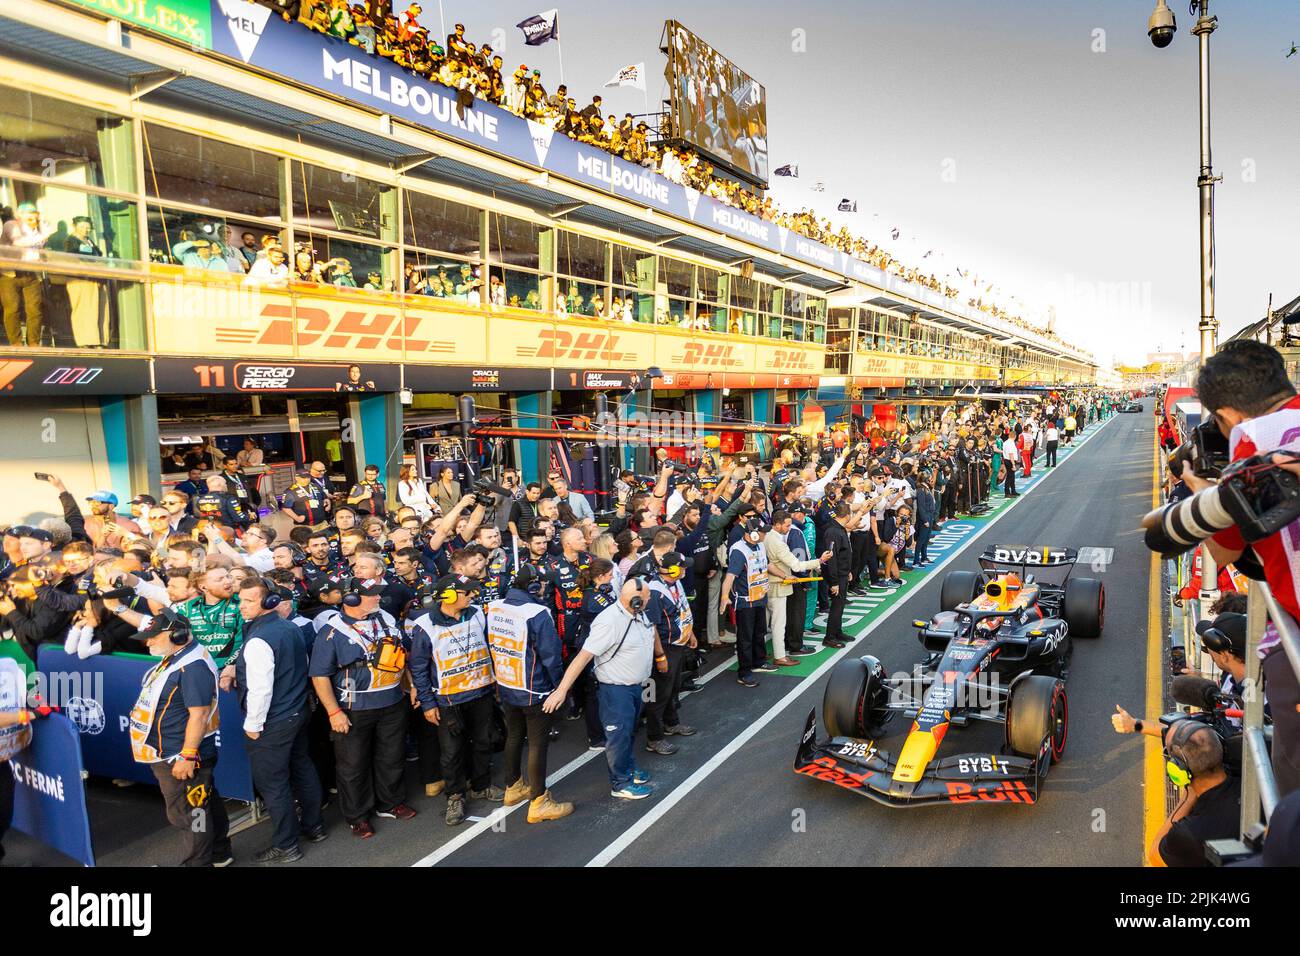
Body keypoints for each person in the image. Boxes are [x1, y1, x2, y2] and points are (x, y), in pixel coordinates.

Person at [309, 577, 417, 838]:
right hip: (353, 708)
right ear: (352, 599)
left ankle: (390, 803)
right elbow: (319, 675)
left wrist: (412, 685)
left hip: (392, 701)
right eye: (373, 595)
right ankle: (357, 815)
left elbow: (404, 655)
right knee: (352, 764)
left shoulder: (387, 619)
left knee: (391, 757)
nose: (380, 598)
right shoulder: (331, 630)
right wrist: (334, 712)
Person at [127, 610, 232, 867]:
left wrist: (187, 755)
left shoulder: (192, 667)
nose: (147, 642)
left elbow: (199, 715)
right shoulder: (179, 656)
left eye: (153, 637)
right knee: (202, 802)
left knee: (190, 814)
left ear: (178, 635)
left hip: (181, 756)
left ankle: (198, 863)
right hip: (176, 752)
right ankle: (219, 852)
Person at [236, 578, 326, 863]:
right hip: (297, 713)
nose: (241, 606)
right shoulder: (289, 627)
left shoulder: (259, 640)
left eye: (249, 600)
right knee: (302, 767)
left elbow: (261, 689)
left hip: (273, 722)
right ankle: (315, 827)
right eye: (241, 600)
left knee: (274, 785)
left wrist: (252, 725)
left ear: (268, 602)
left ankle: (287, 844)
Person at [544, 577, 656, 800]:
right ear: (635, 601)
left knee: (629, 732)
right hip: (616, 691)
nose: (650, 599)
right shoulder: (609, 622)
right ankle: (620, 782)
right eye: (647, 597)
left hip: (636, 686)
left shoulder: (638, 613)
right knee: (619, 736)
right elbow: (583, 657)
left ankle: (629, 769)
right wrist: (562, 690)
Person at [408, 574, 505, 825]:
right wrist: (428, 704)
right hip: (448, 700)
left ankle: (481, 784)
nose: (472, 596)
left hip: (481, 692)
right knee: (451, 752)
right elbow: (418, 668)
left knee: (483, 741)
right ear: (449, 597)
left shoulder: (478, 614)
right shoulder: (424, 626)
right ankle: (455, 796)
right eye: (467, 592)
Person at [487, 565, 573, 822]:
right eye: (543, 585)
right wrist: (560, 686)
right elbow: (551, 655)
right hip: (534, 687)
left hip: (506, 682)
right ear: (535, 586)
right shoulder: (537, 612)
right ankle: (539, 801)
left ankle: (512, 787)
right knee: (538, 743)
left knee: (514, 735)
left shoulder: (495, 606)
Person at [1148, 720, 1241, 867]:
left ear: (1177, 771)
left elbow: (1155, 856)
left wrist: (1187, 798)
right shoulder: (1257, 778)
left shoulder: (1189, 832)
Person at [720, 516, 772, 686]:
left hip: (760, 598)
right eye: (762, 532)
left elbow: (767, 566)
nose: (764, 535)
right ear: (753, 534)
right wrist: (724, 597)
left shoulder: (760, 546)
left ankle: (759, 661)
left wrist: (785, 574)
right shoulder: (739, 550)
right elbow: (730, 576)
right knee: (745, 637)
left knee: (759, 632)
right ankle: (744, 671)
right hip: (745, 601)